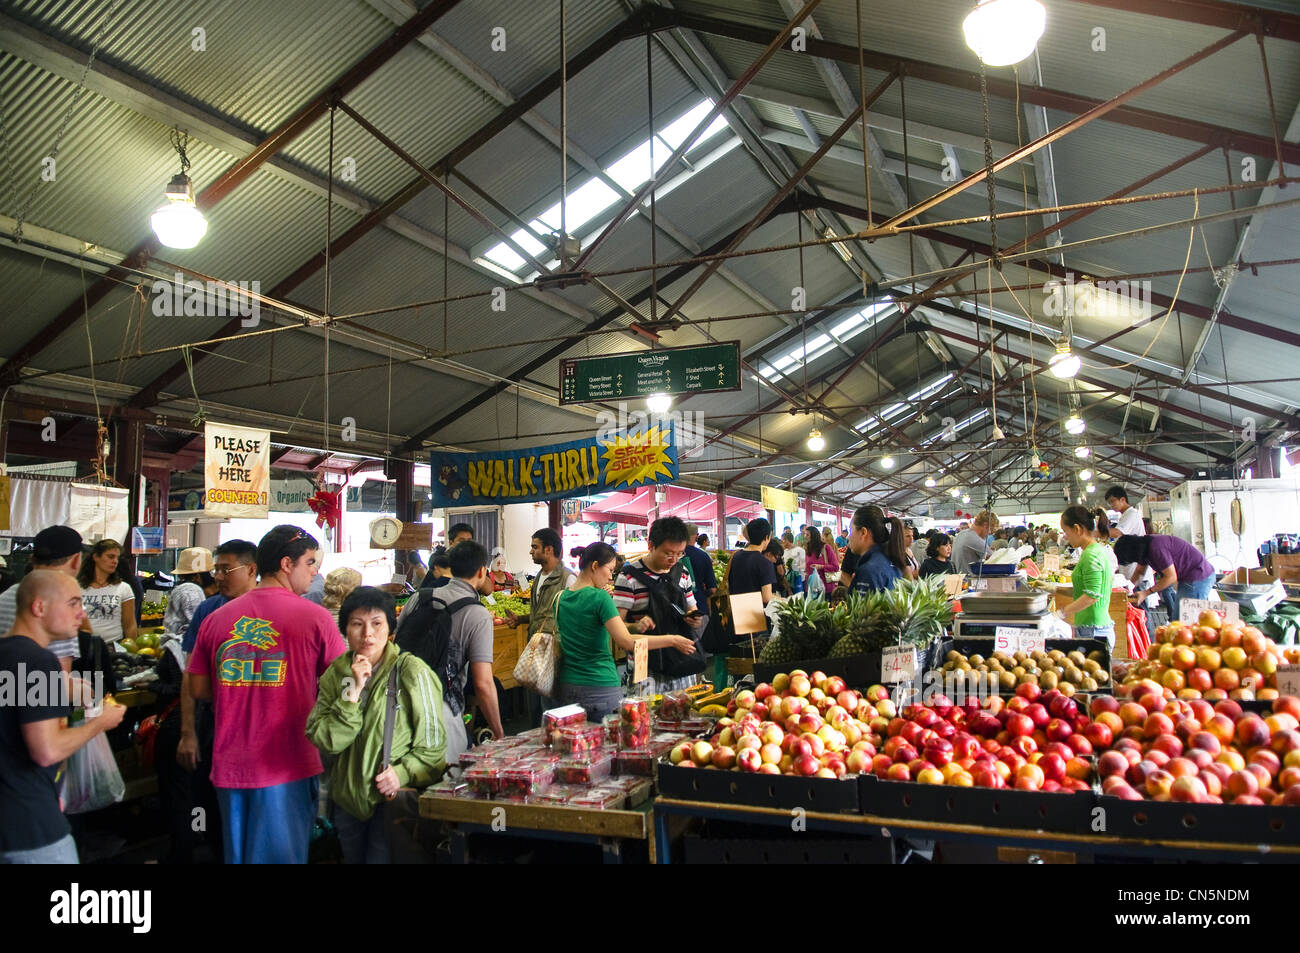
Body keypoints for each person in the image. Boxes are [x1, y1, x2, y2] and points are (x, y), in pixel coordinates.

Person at [187, 526, 346, 864]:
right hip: (287, 763)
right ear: (287, 564)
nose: (315, 571)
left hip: (230, 764)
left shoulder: (217, 619)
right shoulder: (315, 618)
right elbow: (339, 685)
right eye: (310, 562)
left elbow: (198, 689)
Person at [306, 586, 446, 864]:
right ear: (345, 630)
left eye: (376, 624)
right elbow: (325, 738)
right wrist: (353, 694)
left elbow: (433, 747)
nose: (367, 634)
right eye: (357, 624)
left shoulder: (412, 671)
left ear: (390, 629)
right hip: (347, 803)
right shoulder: (337, 673)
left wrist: (403, 773)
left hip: (392, 802)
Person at [0, 571, 128, 863]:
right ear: (39, 607)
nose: (81, 614)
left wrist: (61, 688)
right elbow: (48, 750)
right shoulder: (38, 660)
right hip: (33, 830)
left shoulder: (9, 654)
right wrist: (101, 721)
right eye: (72, 603)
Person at [553, 543, 697, 722]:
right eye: (610, 569)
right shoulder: (600, 597)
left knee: (577, 743)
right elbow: (627, 642)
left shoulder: (560, 598)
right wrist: (673, 640)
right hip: (600, 685)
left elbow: (610, 629)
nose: (611, 576)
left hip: (568, 685)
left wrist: (637, 628)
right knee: (610, 744)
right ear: (595, 566)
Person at [398, 541, 502, 764]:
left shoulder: (420, 597)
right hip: (444, 707)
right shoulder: (478, 614)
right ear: (482, 571)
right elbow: (483, 683)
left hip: (402, 700)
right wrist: (499, 731)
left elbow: (395, 643)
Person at [613, 516, 705, 692]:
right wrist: (636, 626)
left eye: (680, 553)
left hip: (681, 661)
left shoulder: (682, 572)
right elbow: (617, 627)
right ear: (651, 546)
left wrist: (694, 618)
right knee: (646, 714)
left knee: (683, 711)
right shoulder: (628, 577)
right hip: (645, 666)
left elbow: (692, 608)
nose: (674, 559)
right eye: (668, 553)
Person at [0, 526, 85, 673]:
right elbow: (60, 679)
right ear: (76, 560)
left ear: (32, 559)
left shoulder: (4, 598)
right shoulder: (61, 608)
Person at [1116, 534, 1217, 622]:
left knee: (1184, 620)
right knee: (1180, 618)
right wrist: (1128, 588)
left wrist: (1145, 593)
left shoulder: (1156, 548)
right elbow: (1139, 572)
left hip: (1198, 576)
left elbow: (1171, 577)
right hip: (1188, 578)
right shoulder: (1144, 546)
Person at [1056, 506, 1115, 648]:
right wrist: (1055, 589)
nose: (1065, 537)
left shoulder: (1091, 555)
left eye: (1066, 532)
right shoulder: (1093, 551)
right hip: (1092, 627)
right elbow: (1083, 590)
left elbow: (1092, 596)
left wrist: (1061, 613)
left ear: (1077, 529)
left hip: (1093, 631)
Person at [506, 528, 575, 635]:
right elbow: (542, 615)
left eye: (535, 547)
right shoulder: (539, 577)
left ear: (548, 550)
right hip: (538, 643)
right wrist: (520, 619)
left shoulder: (568, 579)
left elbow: (575, 618)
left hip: (556, 646)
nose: (531, 552)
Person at [77, 538, 136, 647]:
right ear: (96, 557)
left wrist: (131, 650)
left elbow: (130, 625)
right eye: (110, 556)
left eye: (117, 558)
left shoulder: (124, 588)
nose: (115, 561)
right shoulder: (77, 588)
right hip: (84, 647)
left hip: (114, 646)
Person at [162, 548, 217, 645]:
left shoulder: (189, 590)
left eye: (183, 578)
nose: (181, 581)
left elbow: (197, 626)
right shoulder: (224, 593)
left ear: (197, 577)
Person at [847, 505, 906, 593]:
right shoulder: (888, 559)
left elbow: (863, 606)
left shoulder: (869, 571)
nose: (848, 537)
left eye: (851, 530)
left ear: (863, 532)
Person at [729, 518, 778, 606]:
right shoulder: (765, 563)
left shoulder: (736, 556)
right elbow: (767, 597)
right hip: (756, 614)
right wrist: (784, 600)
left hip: (737, 611)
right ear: (766, 537)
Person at [682, 523, 718, 618]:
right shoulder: (703, 556)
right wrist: (702, 593)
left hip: (677, 609)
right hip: (699, 607)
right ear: (696, 536)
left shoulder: (675, 554)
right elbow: (712, 589)